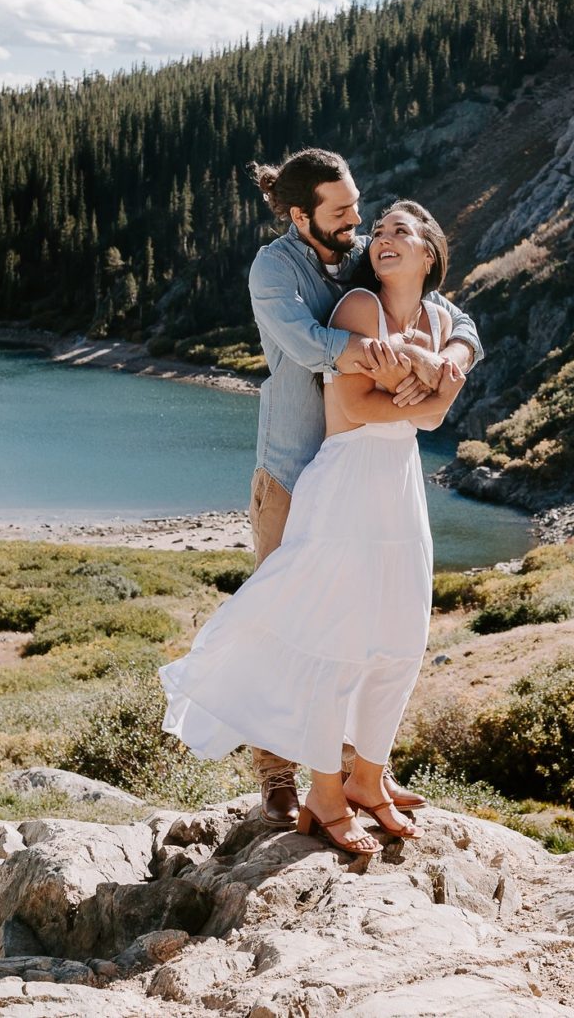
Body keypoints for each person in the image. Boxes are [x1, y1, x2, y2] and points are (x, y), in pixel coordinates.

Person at [161, 198, 468, 852]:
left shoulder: (442, 319)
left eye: (402, 231)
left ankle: (368, 780)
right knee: (335, 642)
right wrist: (420, 385)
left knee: (401, 639)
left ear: (429, 253)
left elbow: (437, 418)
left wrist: (424, 381)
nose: (384, 237)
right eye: (379, 229)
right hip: (348, 484)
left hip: (400, 488)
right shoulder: (358, 308)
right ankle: (324, 797)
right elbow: (354, 403)